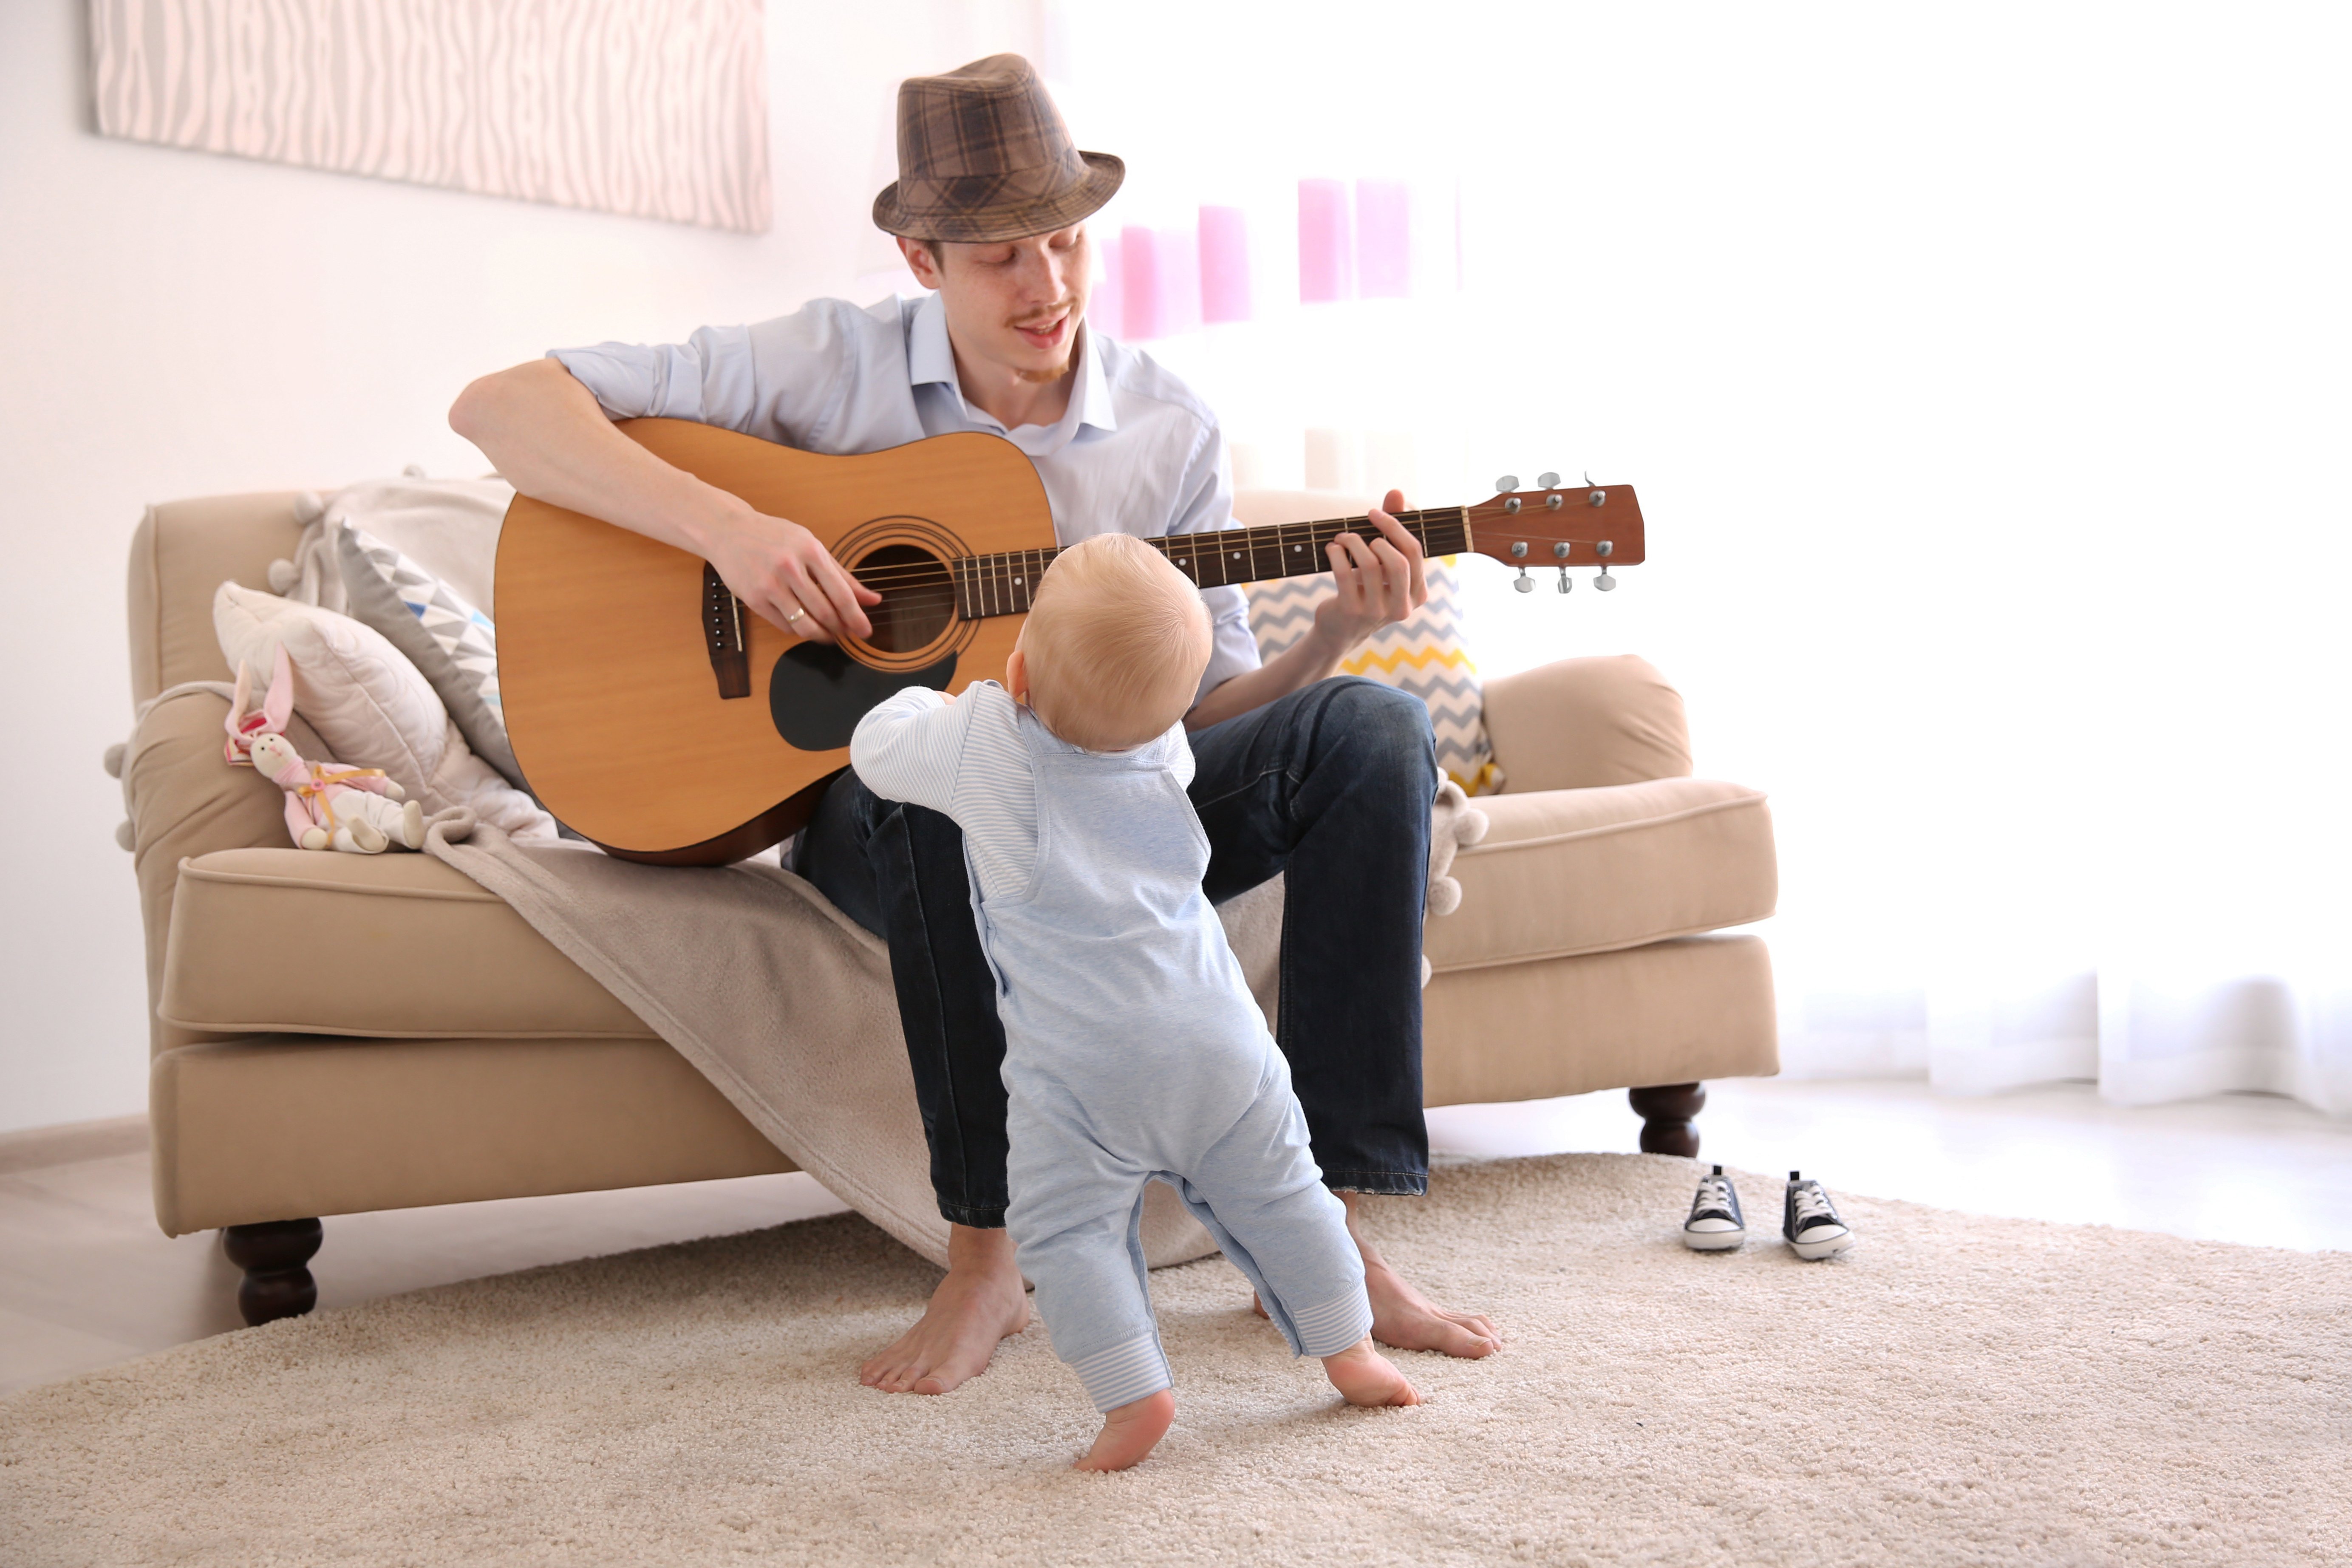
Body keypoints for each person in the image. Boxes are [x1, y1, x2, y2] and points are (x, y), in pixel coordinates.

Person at [448, 53, 1500, 1396]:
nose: (1047, 287)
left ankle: (1332, 1237)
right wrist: (736, 529)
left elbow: (1207, 711)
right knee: (939, 774)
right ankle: (987, 1254)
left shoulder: (1169, 426)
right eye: (1001, 256)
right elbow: (498, 405)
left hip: (1118, 814)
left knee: (1370, 731)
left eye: (1066, 243)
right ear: (918, 257)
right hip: (885, 819)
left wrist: (1332, 636)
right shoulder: (820, 366)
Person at [852, 534, 1420, 1470]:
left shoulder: (984, 747)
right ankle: (1348, 1349)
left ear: (1020, 666)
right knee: (1286, 1197)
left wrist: (943, 695)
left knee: (1072, 1235)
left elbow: (879, 747)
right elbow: (1132, 701)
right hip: (1224, 1049)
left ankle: (1133, 1396)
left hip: (1083, 1074)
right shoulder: (1165, 755)